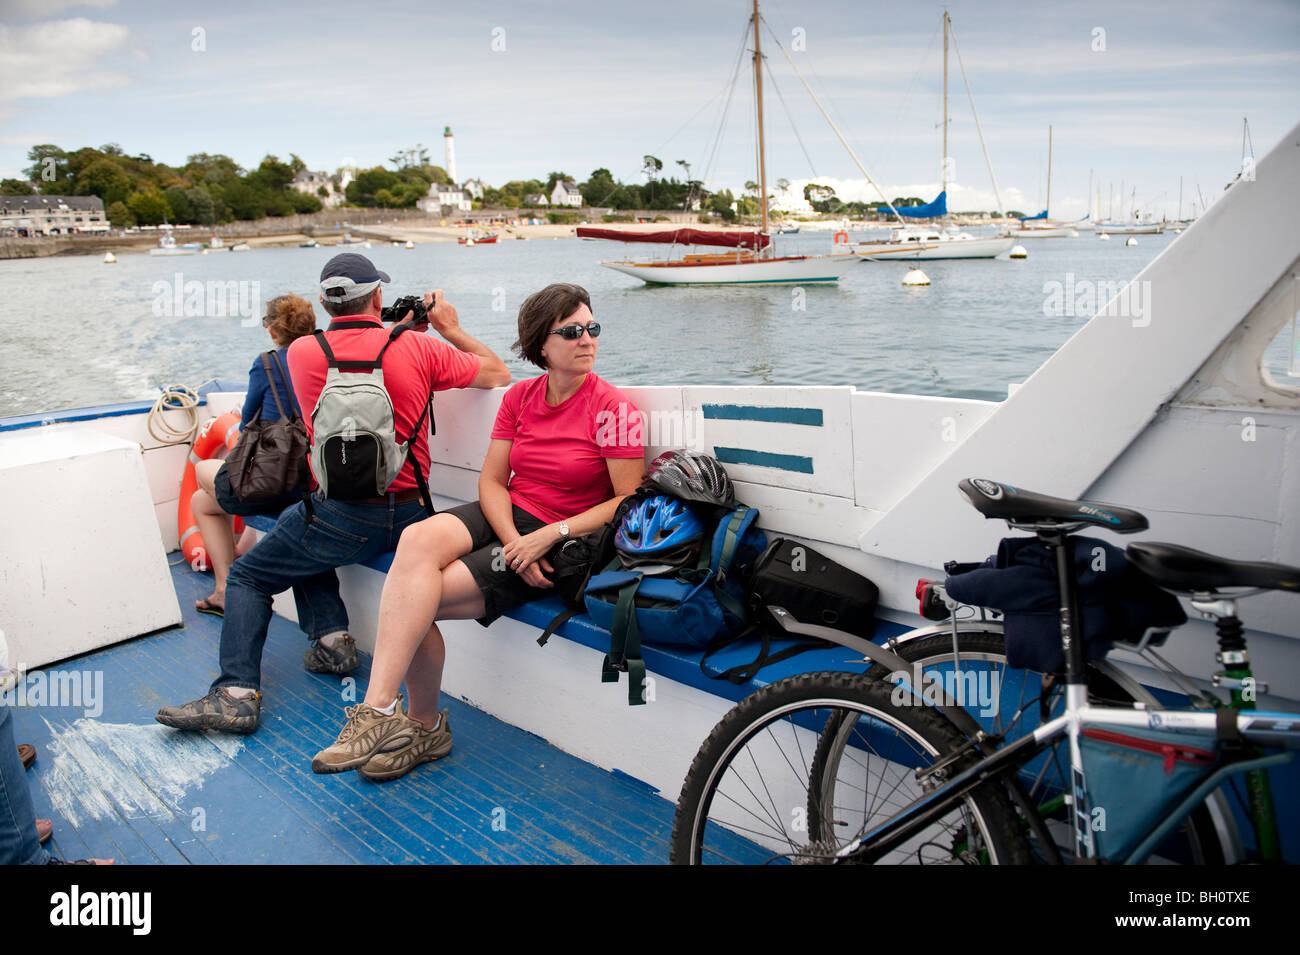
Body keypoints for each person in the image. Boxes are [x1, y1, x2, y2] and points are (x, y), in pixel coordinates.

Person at [156, 253, 510, 734]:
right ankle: (328, 643)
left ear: (325, 304)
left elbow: (347, 358)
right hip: (413, 518)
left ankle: (236, 695)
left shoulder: (301, 352)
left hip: (340, 517)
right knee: (290, 534)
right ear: (378, 296)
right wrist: (444, 328)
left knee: (249, 575)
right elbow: (497, 373)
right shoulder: (418, 348)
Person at [311, 282, 644, 781]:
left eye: (592, 328)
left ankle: (419, 726)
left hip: (563, 537)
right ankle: (382, 712)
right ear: (541, 345)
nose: (587, 339)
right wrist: (513, 541)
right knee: (415, 542)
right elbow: (492, 481)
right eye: (572, 331)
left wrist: (547, 536)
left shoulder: (615, 410)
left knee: (414, 600)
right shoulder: (522, 397)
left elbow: (626, 501)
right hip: (509, 517)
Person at [192, 293, 317, 618]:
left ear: (275, 329)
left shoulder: (267, 364)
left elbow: (248, 420)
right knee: (207, 502)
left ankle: (224, 589)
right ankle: (230, 577)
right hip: (316, 480)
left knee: (202, 486)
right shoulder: (326, 359)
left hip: (281, 481)